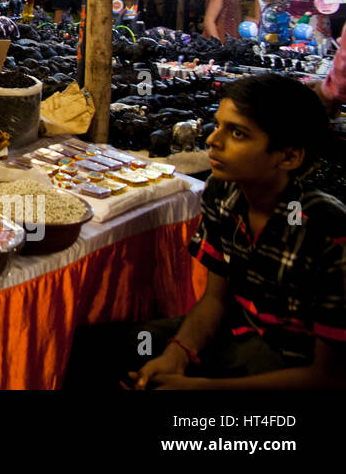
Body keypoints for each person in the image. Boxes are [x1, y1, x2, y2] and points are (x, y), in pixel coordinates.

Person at [65, 74, 346, 389]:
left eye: (237, 133)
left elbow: (329, 375)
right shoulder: (222, 193)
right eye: (219, 125)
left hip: (292, 363)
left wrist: (204, 388)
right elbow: (216, 301)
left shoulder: (328, 229)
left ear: (290, 156)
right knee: (103, 348)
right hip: (235, 332)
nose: (213, 140)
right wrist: (178, 353)